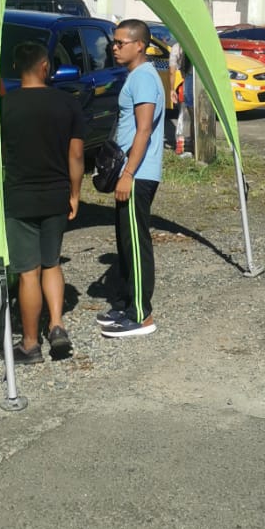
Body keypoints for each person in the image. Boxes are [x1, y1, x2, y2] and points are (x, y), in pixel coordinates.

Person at [0, 39, 85, 364]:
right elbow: (76, 154)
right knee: (52, 263)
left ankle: (30, 343)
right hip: (56, 194)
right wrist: (75, 193)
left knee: (27, 272)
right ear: (45, 66)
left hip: (20, 197)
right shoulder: (67, 104)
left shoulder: (4, 106)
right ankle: (58, 326)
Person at [98, 18, 165, 338]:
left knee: (136, 244)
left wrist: (127, 174)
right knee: (126, 242)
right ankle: (127, 303)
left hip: (138, 173)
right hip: (133, 171)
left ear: (140, 45)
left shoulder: (143, 79)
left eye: (120, 42)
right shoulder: (137, 77)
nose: (114, 47)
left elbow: (144, 129)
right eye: (113, 42)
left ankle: (141, 315)